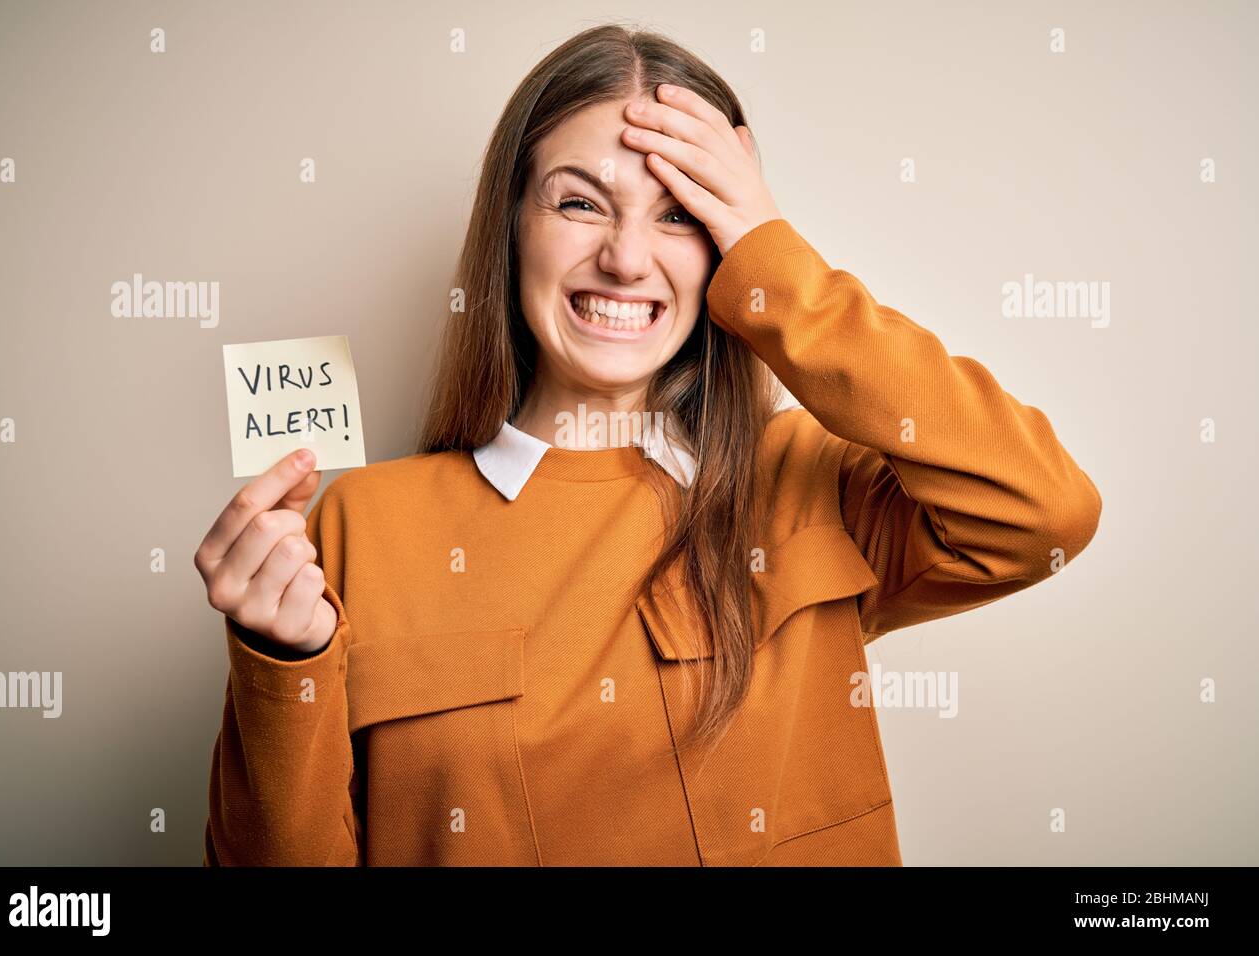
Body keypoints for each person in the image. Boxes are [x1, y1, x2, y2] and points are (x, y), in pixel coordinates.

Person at [196, 25, 1101, 866]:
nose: (627, 259)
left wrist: (776, 263)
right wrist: (283, 666)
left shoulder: (808, 481)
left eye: (679, 216)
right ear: (511, 230)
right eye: (580, 203)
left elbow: (1044, 512)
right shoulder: (363, 523)